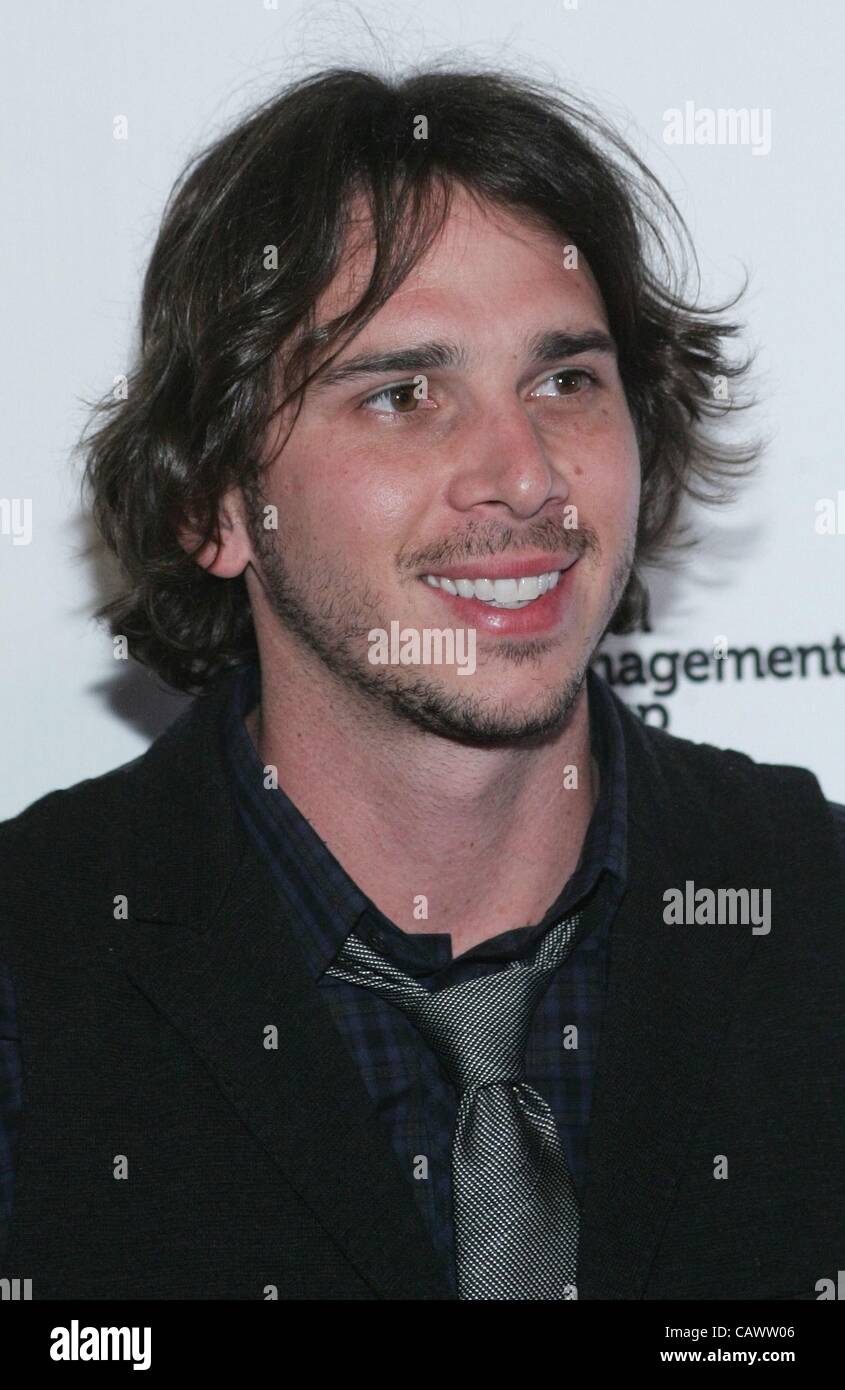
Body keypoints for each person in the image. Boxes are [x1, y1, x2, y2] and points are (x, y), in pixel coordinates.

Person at [1, 65, 842, 1301]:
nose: (520, 473)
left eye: (564, 381)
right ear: (213, 504)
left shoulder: (812, 909)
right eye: (403, 394)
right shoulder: (36, 972)